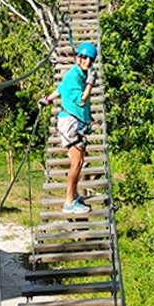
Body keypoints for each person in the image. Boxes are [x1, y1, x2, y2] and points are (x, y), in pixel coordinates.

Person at [43, 41, 97, 213]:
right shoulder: (74, 76)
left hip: (76, 121)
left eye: (90, 59)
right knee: (77, 162)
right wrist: (90, 83)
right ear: (78, 57)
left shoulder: (79, 73)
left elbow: (61, 89)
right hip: (69, 123)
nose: (87, 62)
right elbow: (81, 100)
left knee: (79, 162)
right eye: (84, 58)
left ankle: (73, 195)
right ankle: (69, 202)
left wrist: (47, 99)